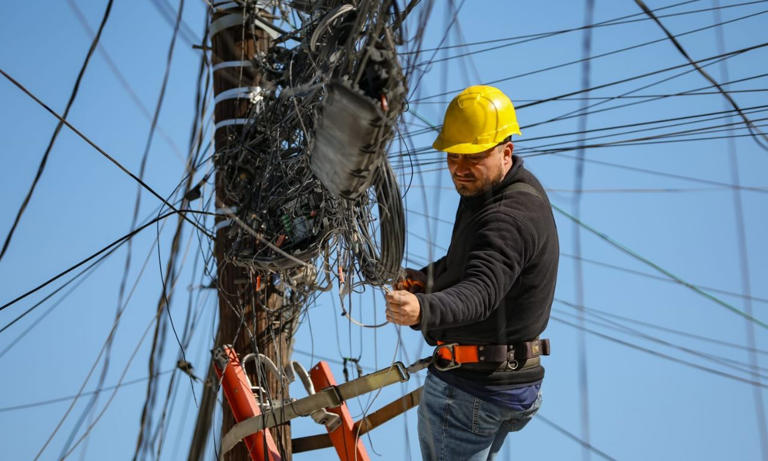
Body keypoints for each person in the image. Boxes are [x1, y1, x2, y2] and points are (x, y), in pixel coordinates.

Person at [385, 85, 559, 460]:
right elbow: (467, 263)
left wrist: (424, 309)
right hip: (513, 382)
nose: (460, 169)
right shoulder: (500, 192)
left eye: (474, 157)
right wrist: (423, 281)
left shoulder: (506, 218)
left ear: (506, 152)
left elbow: (480, 292)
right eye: (453, 156)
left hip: (473, 392)